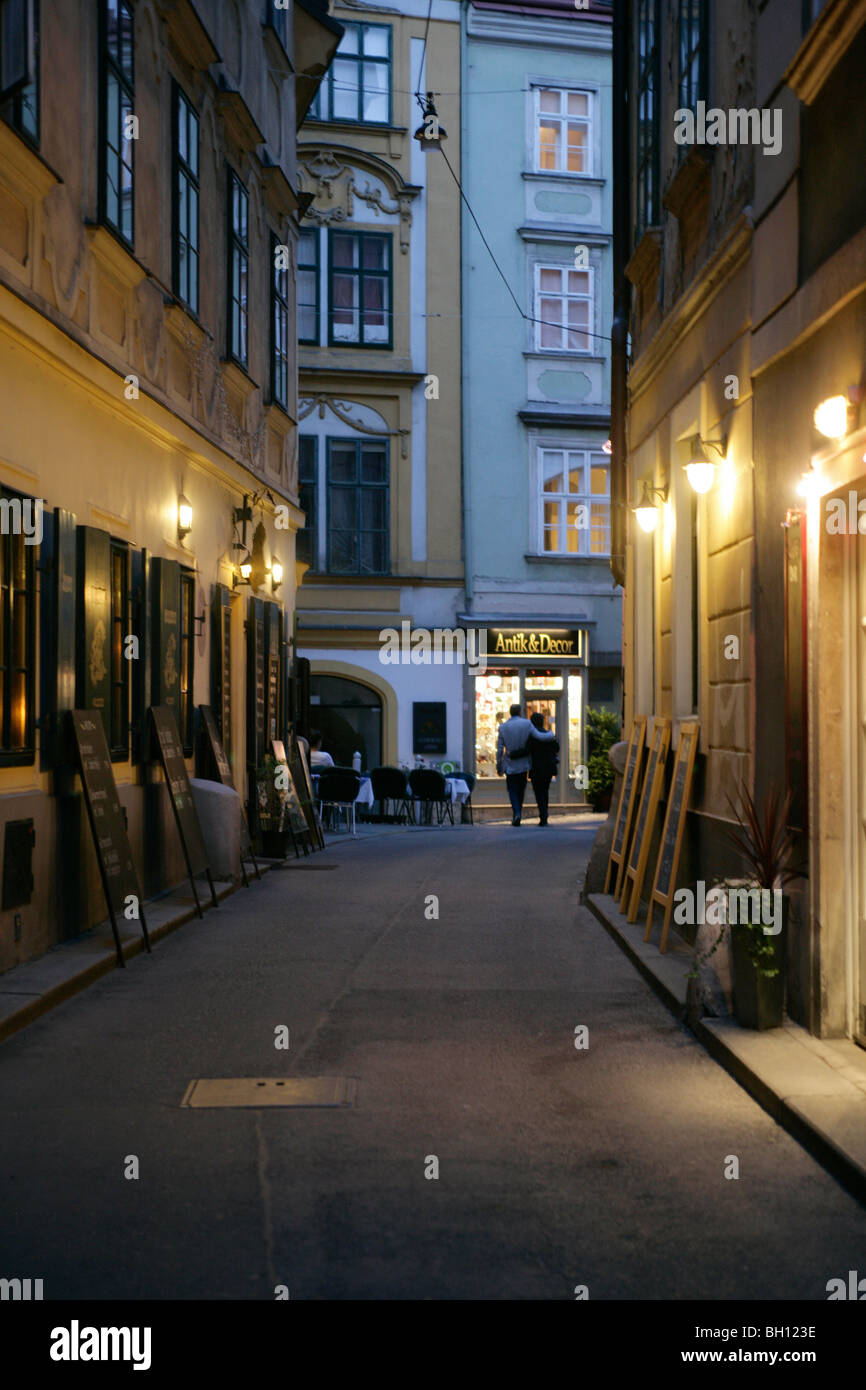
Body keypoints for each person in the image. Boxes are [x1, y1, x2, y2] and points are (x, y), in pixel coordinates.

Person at [496, 703, 556, 826]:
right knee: (521, 790)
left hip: (510, 764)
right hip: (523, 764)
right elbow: (540, 736)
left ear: (510, 713)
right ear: (520, 712)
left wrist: (499, 765)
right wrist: (551, 735)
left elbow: (500, 749)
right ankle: (520, 812)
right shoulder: (527, 724)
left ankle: (517, 812)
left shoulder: (503, 727)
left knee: (512, 790)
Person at [528, 711, 559, 826]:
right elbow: (557, 748)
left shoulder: (531, 736)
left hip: (536, 767)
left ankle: (543, 816)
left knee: (538, 792)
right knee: (545, 791)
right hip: (548, 767)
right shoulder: (549, 735)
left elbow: (527, 750)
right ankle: (544, 814)